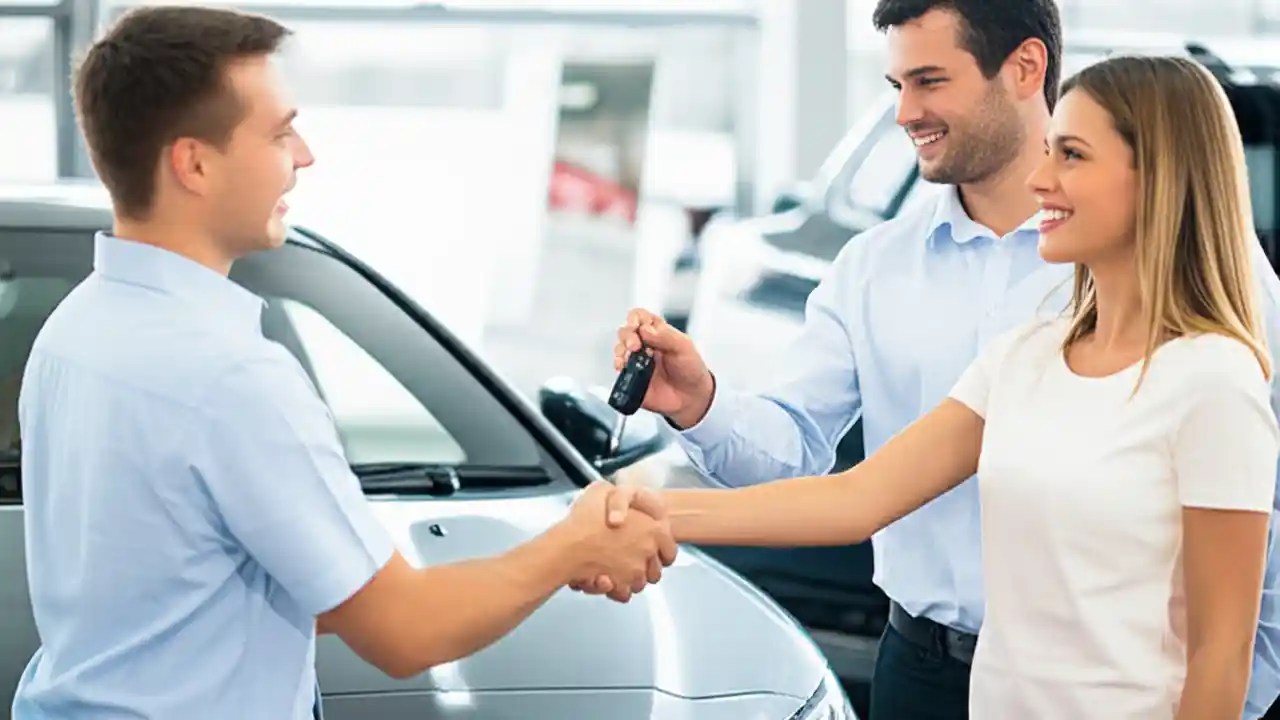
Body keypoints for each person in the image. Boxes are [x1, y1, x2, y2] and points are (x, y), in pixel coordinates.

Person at [601, 1, 1280, 717]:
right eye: (898, 86)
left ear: (1025, 68)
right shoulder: (1018, 352)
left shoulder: (1215, 373)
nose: (1043, 179)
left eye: (1072, 155)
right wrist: (640, 497)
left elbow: (1231, 623)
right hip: (946, 675)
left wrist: (1250, 694)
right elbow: (855, 498)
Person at [12, 6, 673, 720]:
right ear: (193, 163)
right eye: (279, 132)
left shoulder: (73, 330)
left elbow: (185, 586)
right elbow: (404, 632)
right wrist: (572, 547)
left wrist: (525, 563)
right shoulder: (230, 377)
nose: (303, 155)